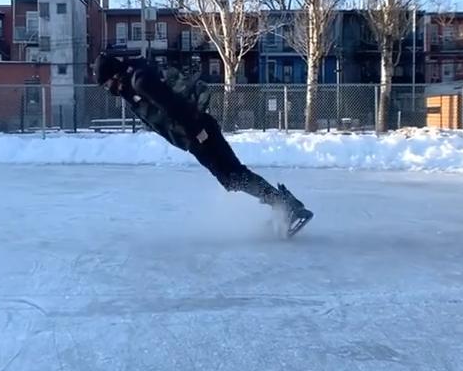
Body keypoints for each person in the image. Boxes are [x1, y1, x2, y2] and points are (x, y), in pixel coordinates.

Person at [93, 51, 313, 237]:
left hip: (198, 131)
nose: (108, 89)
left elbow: (173, 105)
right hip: (194, 134)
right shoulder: (131, 84)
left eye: (106, 84)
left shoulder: (139, 81)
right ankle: (282, 203)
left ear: (114, 75)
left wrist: (196, 131)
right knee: (233, 176)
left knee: (233, 176)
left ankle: (284, 205)